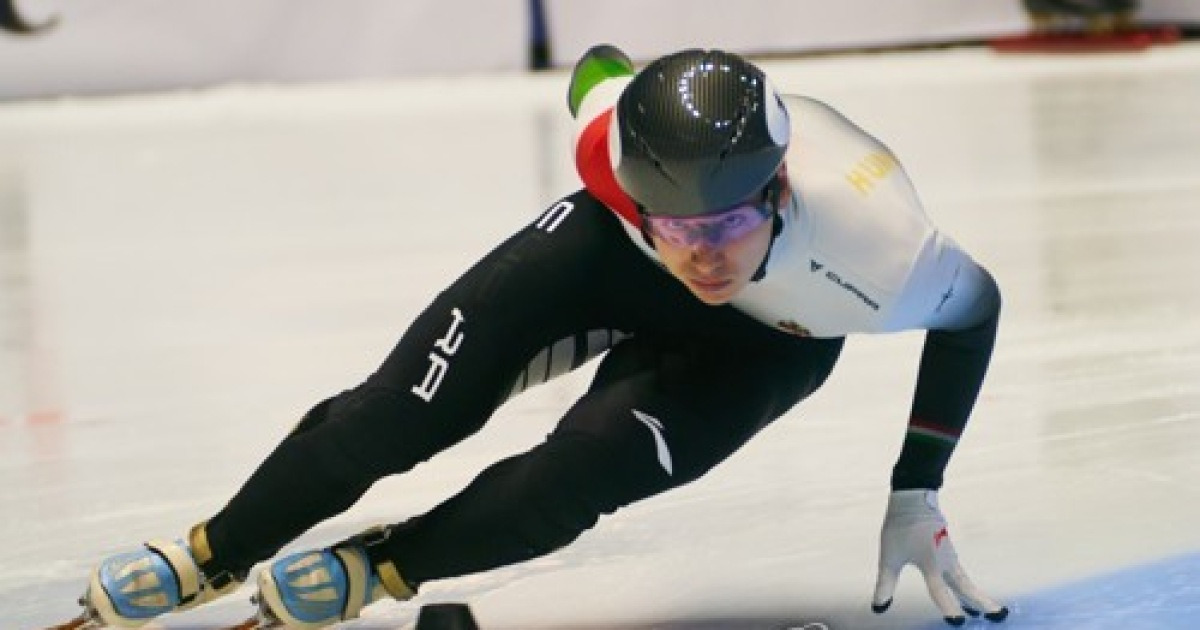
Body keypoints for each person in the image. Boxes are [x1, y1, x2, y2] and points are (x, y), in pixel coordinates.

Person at [76, 45, 1009, 628]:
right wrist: (651, 213)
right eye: (678, 230)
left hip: (770, 342)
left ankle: (380, 569)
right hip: (606, 257)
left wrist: (916, 488)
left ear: (777, 191)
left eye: (726, 226)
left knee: (578, 475)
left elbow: (978, 313)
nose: (703, 257)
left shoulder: (884, 250)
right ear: (634, 194)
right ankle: (211, 553)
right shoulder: (609, 159)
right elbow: (600, 68)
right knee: (395, 415)